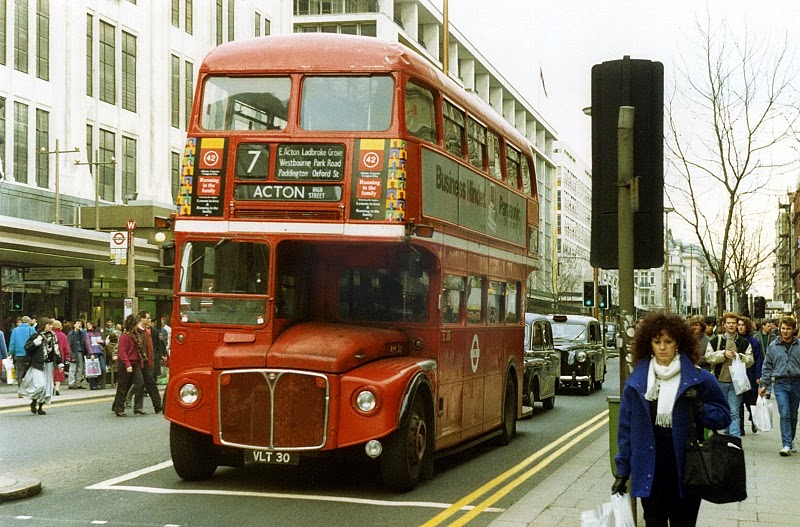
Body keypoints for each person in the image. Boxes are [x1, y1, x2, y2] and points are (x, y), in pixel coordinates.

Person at [614, 312, 730, 526]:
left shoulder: (699, 379)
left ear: (679, 343)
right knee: (653, 522)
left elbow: (723, 416)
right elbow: (625, 430)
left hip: (687, 470)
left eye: (668, 341)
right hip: (650, 469)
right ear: (649, 344)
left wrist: (699, 407)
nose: (662, 347)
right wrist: (622, 471)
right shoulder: (637, 382)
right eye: (657, 341)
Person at [705, 312, 754, 437]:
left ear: (737, 325)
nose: (731, 325)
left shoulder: (743, 342)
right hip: (720, 380)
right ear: (724, 325)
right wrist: (722, 354)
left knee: (734, 411)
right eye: (729, 323)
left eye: (734, 323)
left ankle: (734, 438)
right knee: (724, 410)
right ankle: (727, 435)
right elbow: (708, 357)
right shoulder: (716, 340)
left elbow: (750, 360)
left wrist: (740, 357)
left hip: (736, 382)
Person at [759, 316, 800, 456]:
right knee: (784, 413)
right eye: (783, 328)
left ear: (793, 329)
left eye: (788, 329)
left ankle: (791, 440)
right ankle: (786, 444)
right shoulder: (773, 346)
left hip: (796, 382)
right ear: (779, 328)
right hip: (780, 383)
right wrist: (764, 384)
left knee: (793, 414)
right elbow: (767, 366)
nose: (785, 331)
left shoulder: (799, 345)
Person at [18, 317, 64, 415]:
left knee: (47, 387)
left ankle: (40, 407)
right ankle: (33, 401)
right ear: (43, 325)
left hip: (49, 364)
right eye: (49, 324)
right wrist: (36, 342)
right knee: (41, 386)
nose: (51, 326)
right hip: (38, 364)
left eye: (51, 324)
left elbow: (57, 351)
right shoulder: (36, 336)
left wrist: (60, 363)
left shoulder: (53, 336)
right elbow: (27, 347)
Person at [130, 310, 162, 414]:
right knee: (133, 384)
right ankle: (119, 406)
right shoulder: (135, 331)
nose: (149, 320)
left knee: (151, 383)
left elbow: (151, 348)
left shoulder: (149, 330)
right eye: (147, 318)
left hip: (146, 361)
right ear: (141, 319)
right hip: (137, 361)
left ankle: (158, 406)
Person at [736, 316, 763, 435]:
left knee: (751, 402)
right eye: (739, 325)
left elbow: (759, 359)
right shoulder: (734, 340)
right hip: (737, 375)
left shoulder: (754, 342)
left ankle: (753, 420)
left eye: (742, 325)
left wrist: (758, 375)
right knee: (739, 403)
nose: (740, 327)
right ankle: (740, 427)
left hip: (750, 375)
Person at [112, 314, 141, 417]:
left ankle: (118, 405)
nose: (138, 325)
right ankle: (119, 408)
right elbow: (122, 351)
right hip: (125, 363)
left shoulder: (134, 335)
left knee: (140, 383)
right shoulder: (124, 336)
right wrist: (128, 364)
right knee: (122, 386)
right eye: (136, 323)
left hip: (135, 363)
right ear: (132, 324)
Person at [9, 315, 36, 391]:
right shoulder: (32, 329)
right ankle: (28, 388)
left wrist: (11, 352)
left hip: (19, 354)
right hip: (30, 354)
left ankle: (21, 389)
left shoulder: (15, 330)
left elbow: (12, 343)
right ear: (29, 321)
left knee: (19, 373)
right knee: (29, 371)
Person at [51, 319, 71, 396]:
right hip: (60, 356)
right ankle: (57, 388)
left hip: (51, 356)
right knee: (59, 372)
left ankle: (52, 387)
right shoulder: (63, 335)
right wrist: (67, 357)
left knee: (51, 372)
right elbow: (66, 347)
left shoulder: (51, 334)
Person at [84, 321, 106, 390]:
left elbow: (104, 342)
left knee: (102, 369)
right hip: (93, 353)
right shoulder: (87, 334)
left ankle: (97, 382)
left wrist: (103, 342)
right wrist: (91, 353)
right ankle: (93, 385)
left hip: (100, 352)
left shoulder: (98, 333)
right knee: (93, 369)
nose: (88, 326)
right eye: (87, 325)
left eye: (89, 324)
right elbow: (88, 345)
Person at [67, 320, 87, 389]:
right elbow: (69, 345)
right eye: (78, 323)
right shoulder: (71, 334)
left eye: (80, 324)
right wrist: (71, 354)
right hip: (74, 352)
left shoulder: (82, 334)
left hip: (80, 352)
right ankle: (71, 383)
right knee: (72, 368)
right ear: (74, 325)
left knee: (80, 368)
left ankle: (78, 383)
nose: (79, 325)